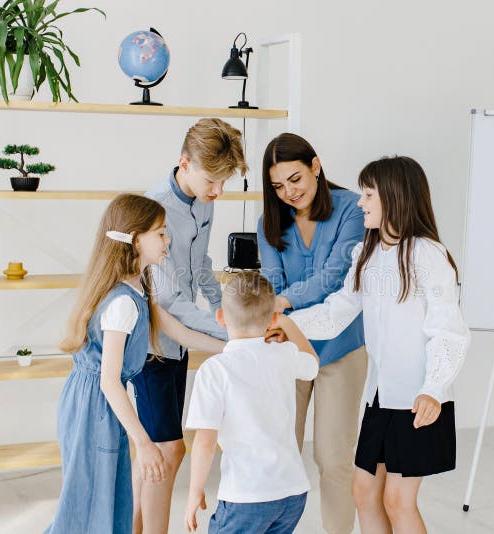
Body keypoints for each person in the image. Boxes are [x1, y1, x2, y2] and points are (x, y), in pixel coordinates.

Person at [287, 156, 471, 534]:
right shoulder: (366, 254)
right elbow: (338, 311)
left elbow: (449, 332)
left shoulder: (428, 255)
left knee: (398, 501)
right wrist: (287, 324)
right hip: (379, 398)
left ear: (394, 197)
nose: (360, 202)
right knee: (364, 493)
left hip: (418, 401)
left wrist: (433, 389)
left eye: (368, 193)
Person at [44, 194, 225, 534]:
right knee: (89, 498)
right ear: (135, 239)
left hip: (95, 401)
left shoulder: (139, 285)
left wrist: (232, 348)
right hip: (93, 405)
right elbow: (109, 381)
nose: (168, 240)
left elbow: (180, 333)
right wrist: (143, 443)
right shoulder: (122, 304)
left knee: (107, 493)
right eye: (160, 233)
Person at [133, 118, 248, 534]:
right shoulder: (154, 208)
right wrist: (234, 333)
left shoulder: (206, 202)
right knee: (168, 449)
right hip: (151, 345)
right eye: (211, 180)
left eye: (223, 182)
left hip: (180, 345)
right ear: (184, 162)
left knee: (159, 450)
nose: (217, 191)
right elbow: (170, 300)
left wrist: (226, 312)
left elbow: (201, 270)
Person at [257, 133, 367, 534]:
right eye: (278, 186)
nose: (289, 192)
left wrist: (282, 304)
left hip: (341, 348)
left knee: (333, 459)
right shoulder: (269, 222)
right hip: (288, 349)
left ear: (316, 166)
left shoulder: (353, 210)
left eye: (296, 179)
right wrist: (276, 305)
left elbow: (335, 278)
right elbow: (271, 280)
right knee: (280, 451)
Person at [183, 272, 319, 534]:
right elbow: (312, 365)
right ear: (273, 319)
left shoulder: (215, 370)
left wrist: (194, 493)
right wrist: (288, 325)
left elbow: (205, 441)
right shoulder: (284, 354)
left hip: (247, 496)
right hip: (292, 493)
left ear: (220, 317)